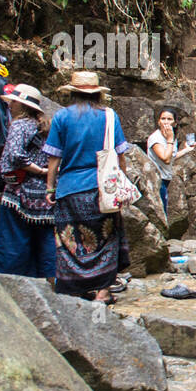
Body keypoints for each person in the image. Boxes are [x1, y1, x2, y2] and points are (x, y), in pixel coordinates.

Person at [44, 71, 131, 303]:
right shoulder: (109, 116)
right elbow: (120, 155)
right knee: (106, 239)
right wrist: (122, 179)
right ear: (97, 93)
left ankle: (76, 290)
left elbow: (54, 159)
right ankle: (102, 292)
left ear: (72, 93)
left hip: (69, 189)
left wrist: (50, 188)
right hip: (102, 189)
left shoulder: (61, 117)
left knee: (71, 241)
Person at [0, 84, 55, 279]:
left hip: (19, 194)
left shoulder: (20, 125)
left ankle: (11, 284)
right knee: (46, 244)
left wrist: (39, 170)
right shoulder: (44, 126)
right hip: (45, 195)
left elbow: (15, 155)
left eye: (13, 102)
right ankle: (52, 285)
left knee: (13, 243)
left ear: (22, 106)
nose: (9, 105)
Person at [146, 106, 193, 215]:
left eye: (169, 119)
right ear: (158, 122)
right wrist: (170, 140)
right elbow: (165, 159)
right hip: (157, 180)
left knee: (164, 211)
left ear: (175, 123)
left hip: (165, 179)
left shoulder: (170, 137)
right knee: (162, 214)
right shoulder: (156, 138)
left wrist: (186, 150)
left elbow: (171, 156)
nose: (166, 122)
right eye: (163, 119)